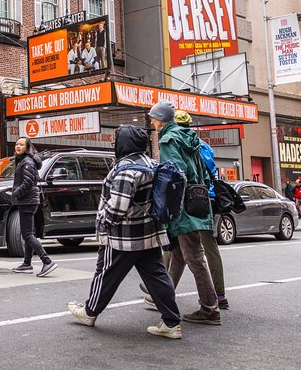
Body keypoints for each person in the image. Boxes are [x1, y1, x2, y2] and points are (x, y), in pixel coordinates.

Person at [67, 125, 182, 339]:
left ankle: (90, 312)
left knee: (106, 275)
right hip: (149, 233)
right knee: (158, 277)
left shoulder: (126, 170)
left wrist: (104, 221)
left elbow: (118, 207)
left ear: (124, 144)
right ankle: (171, 322)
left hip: (124, 235)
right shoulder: (151, 164)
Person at [148, 100, 220, 325]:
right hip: (197, 200)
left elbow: (175, 175)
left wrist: (166, 205)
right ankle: (163, 298)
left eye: (153, 117)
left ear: (161, 119)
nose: (152, 121)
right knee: (179, 255)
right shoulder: (190, 138)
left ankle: (210, 309)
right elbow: (203, 173)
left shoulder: (168, 140)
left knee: (194, 257)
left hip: (182, 206)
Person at [173, 110, 229, 310]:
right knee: (208, 247)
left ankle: (160, 291)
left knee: (177, 243)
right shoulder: (203, 145)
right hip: (207, 197)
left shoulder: (178, 143)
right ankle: (220, 294)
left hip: (190, 199)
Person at [11, 137, 58, 277]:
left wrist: (16, 194)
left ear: (27, 147)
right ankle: (27, 264)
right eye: (17, 144)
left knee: (27, 234)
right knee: (29, 233)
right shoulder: (24, 160)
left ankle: (47, 261)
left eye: (21, 144)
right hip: (28, 201)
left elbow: (28, 182)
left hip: (27, 201)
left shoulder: (27, 162)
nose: (18, 146)